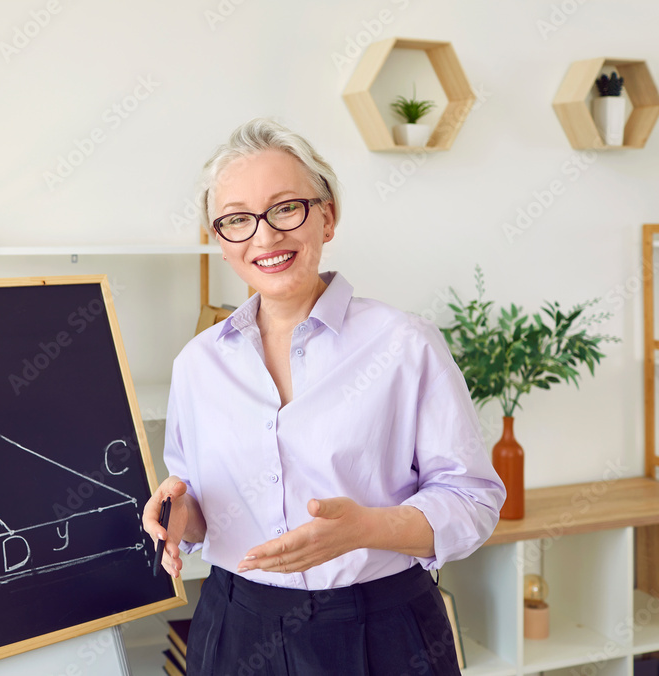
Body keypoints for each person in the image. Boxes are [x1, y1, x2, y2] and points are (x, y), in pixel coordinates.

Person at [142, 118, 506, 675]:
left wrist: (367, 529)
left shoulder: (404, 344)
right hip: (235, 628)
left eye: (286, 208)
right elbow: (199, 511)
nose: (264, 237)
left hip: (381, 629)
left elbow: (474, 501)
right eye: (237, 220)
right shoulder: (198, 364)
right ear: (220, 241)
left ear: (327, 216)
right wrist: (178, 515)